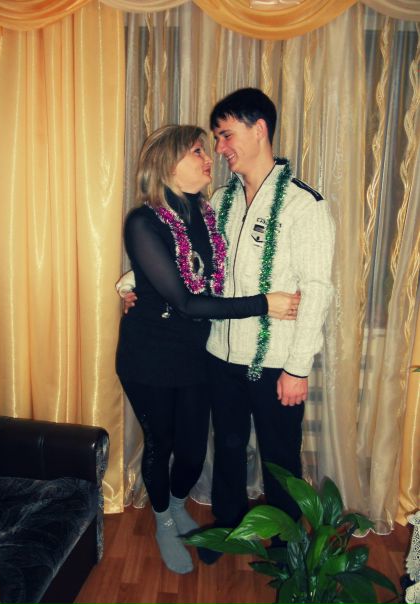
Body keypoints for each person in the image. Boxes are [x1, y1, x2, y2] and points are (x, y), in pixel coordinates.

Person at [115, 124, 300, 575]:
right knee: (161, 442)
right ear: (167, 164)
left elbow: (213, 273)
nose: (208, 158)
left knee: (194, 449)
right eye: (197, 151)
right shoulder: (143, 221)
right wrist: (265, 304)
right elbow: (185, 300)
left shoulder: (207, 210)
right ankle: (163, 521)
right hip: (149, 354)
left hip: (197, 353)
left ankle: (178, 504)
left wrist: (127, 284)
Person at [202, 88, 335, 560]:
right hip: (220, 354)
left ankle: (285, 547)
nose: (220, 147)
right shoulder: (221, 200)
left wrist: (298, 368)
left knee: (281, 459)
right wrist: (135, 284)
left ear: (259, 129)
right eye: (217, 138)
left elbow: (317, 290)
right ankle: (227, 528)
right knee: (228, 448)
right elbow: (191, 259)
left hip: (277, 362)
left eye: (226, 135)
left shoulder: (304, 204)